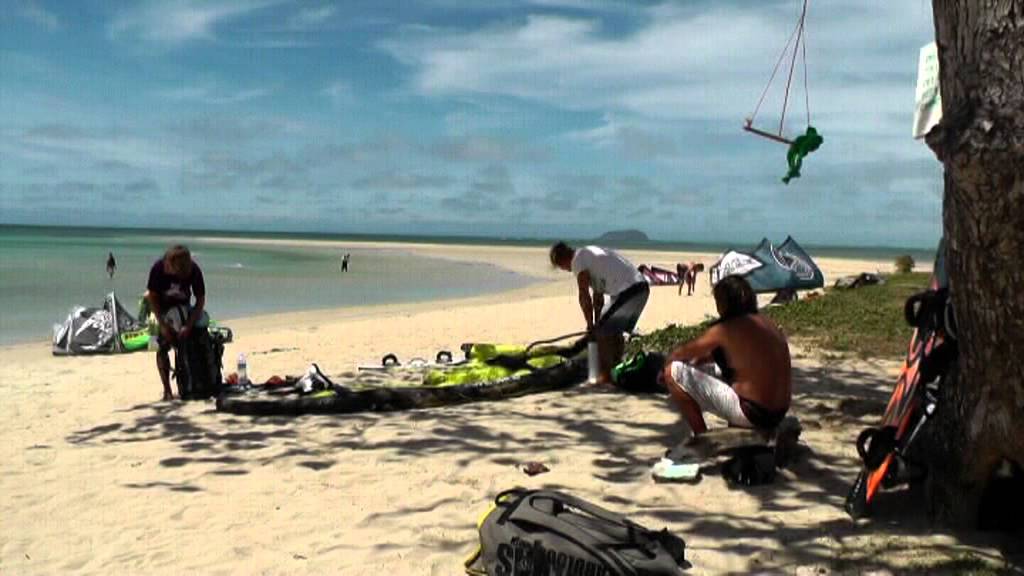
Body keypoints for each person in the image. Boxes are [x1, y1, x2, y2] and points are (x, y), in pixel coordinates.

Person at [661, 275, 791, 436]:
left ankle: (702, 437)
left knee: (673, 371)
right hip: (777, 414)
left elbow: (680, 353)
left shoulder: (725, 328)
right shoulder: (766, 323)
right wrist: (701, 360)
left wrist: (663, 370)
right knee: (712, 366)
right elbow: (738, 355)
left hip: (752, 413)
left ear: (724, 302)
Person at [550, 242, 649, 385]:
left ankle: (605, 377)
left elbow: (584, 295)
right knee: (613, 331)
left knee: (603, 333)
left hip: (629, 290)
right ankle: (616, 370)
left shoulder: (577, 260)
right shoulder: (589, 255)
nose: (565, 270)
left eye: (561, 267)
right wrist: (595, 323)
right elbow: (598, 298)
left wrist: (590, 325)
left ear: (562, 260)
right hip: (641, 288)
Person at [145, 245, 206, 401]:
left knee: (195, 337)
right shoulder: (158, 268)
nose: (168, 269)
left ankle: (195, 381)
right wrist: (163, 325)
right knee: (162, 346)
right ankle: (167, 390)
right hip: (160, 308)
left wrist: (189, 326)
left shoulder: (193, 270)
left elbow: (200, 300)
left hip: (183, 307)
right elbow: (152, 297)